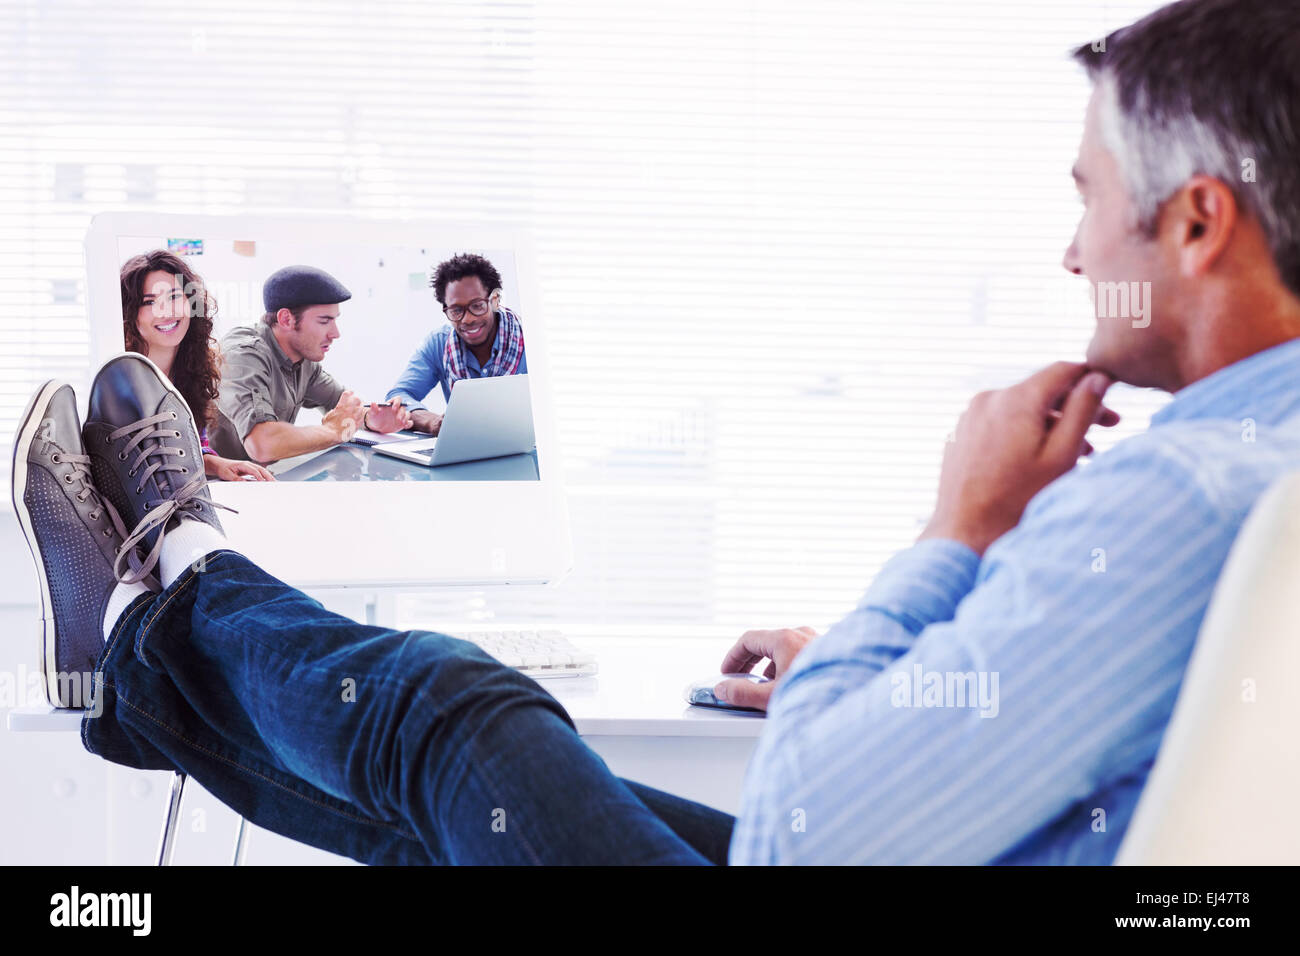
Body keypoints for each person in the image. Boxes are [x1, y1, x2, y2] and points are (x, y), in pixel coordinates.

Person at [11, 0, 1300, 864]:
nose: (1073, 250)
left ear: (1193, 224)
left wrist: (955, 528)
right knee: (467, 816)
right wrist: (881, 659)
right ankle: (136, 638)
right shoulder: (1260, 459)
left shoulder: (1180, 494)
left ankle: (170, 571)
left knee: (463, 715)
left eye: (1090, 201)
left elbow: (803, 831)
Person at [208, 265, 413, 464]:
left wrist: (370, 419)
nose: (335, 333)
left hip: (257, 481)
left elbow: (340, 405)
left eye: (335, 320)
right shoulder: (242, 356)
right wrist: (333, 431)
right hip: (215, 487)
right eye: (324, 321)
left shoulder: (302, 360)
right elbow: (263, 444)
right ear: (286, 319)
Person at [119, 250, 274, 482]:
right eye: (149, 301)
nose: (167, 311)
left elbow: (191, 448)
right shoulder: (120, 376)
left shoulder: (194, 366)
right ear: (130, 313)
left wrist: (218, 464)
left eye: (174, 297)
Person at [385, 253, 527, 436]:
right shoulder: (438, 343)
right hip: (464, 452)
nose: (467, 319)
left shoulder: (532, 340)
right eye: (456, 310)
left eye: (477, 306)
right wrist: (431, 422)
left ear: (495, 300)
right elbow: (398, 396)